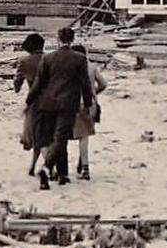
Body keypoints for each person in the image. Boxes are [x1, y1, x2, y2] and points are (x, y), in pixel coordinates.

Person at [26, 27, 93, 189]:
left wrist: (29, 101)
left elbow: (38, 83)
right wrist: (88, 104)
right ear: (72, 39)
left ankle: (62, 175)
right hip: (68, 105)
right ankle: (47, 168)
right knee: (61, 138)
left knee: (55, 139)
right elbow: (85, 84)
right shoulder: (79, 59)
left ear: (58, 39)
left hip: (47, 103)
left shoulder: (48, 58)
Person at [71, 44, 107, 181]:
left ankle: (85, 167)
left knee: (76, 136)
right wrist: (94, 93)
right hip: (91, 105)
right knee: (84, 136)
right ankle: (83, 164)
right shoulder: (92, 67)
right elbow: (103, 84)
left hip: (76, 104)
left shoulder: (71, 68)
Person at [13, 33, 46, 176]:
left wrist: (17, 87)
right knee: (47, 135)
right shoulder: (50, 58)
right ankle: (34, 166)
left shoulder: (24, 61)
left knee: (36, 136)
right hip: (53, 100)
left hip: (34, 102)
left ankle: (46, 167)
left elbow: (17, 82)